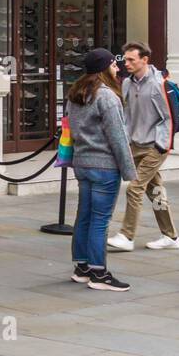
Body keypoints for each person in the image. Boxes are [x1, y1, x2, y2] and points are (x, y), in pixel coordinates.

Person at [67, 47, 138, 291]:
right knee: (100, 220)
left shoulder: (76, 93)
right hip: (104, 166)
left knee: (84, 216)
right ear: (103, 68)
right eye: (113, 64)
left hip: (83, 163)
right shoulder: (107, 97)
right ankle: (99, 273)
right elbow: (118, 137)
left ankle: (82, 267)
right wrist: (129, 171)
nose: (117, 67)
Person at [108, 41, 179, 251]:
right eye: (125, 59)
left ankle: (127, 236)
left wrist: (162, 145)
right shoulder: (127, 83)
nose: (126, 63)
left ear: (145, 60)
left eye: (131, 59)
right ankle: (170, 236)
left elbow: (169, 118)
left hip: (155, 146)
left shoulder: (160, 84)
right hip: (135, 144)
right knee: (156, 191)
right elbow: (126, 114)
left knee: (134, 188)